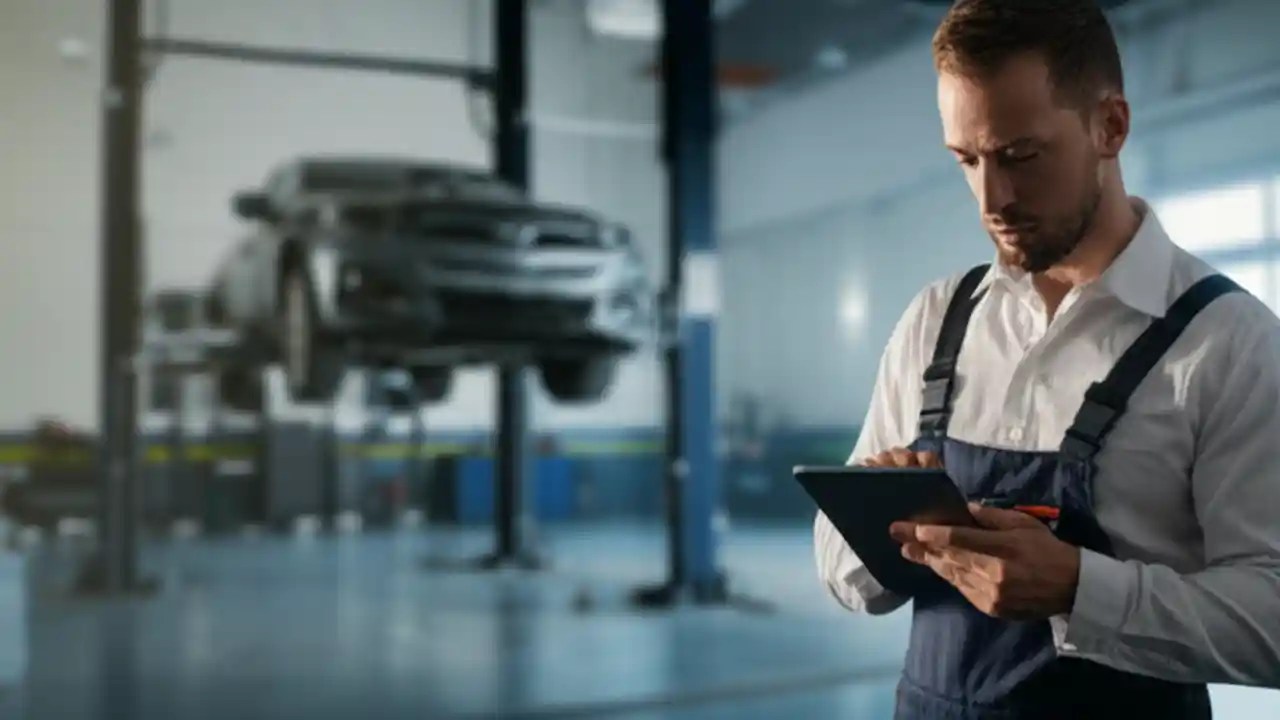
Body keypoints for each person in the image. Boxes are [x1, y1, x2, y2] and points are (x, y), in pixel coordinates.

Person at [813, 0, 1280, 718]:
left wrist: (1080, 590)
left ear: (1110, 127)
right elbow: (836, 568)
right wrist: (882, 527)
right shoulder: (935, 323)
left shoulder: (1230, 345)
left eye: (1020, 157)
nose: (992, 198)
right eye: (967, 160)